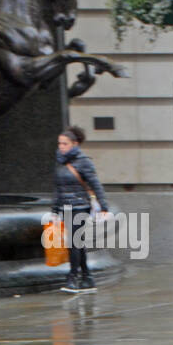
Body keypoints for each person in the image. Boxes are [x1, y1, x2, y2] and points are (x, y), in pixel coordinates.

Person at [53, 125, 110, 294]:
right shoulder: (61, 162)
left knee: (74, 242)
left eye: (65, 144)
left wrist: (104, 207)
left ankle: (73, 277)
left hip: (81, 207)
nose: (61, 147)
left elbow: (95, 185)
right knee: (78, 243)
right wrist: (55, 210)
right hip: (66, 207)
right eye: (59, 144)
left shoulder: (84, 161)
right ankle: (87, 278)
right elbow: (58, 188)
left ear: (75, 144)